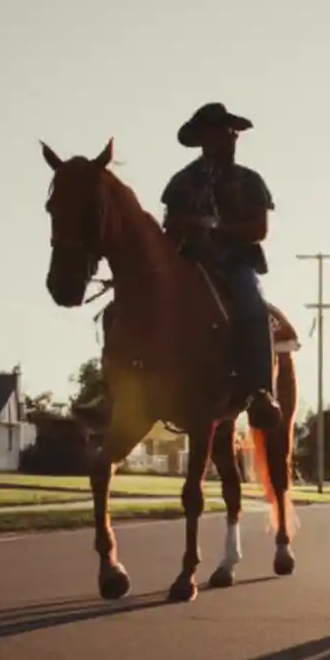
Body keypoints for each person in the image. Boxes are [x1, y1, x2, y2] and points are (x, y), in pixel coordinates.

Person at [73, 103, 281, 429]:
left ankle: (259, 392)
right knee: (119, 310)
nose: (225, 139)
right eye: (215, 134)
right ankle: (109, 388)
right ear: (202, 139)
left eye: (229, 133)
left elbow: (258, 231)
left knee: (252, 306)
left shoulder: (250, 181)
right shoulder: (181, 182)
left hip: (234, 263)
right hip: (187, 260)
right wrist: (180, 235)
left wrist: (213, 229)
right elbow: (167, 229)